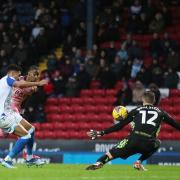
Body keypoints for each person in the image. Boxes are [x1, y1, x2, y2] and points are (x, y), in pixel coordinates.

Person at [86, 91, 180, 171]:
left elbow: (119, 126)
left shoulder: (137, 110)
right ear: (154, 100)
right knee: (157, 143)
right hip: (148, 142)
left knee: (111, 153)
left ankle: (99, 162)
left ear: (143, 100)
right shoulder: (161, 112)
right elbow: (175, 124)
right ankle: (139, 162)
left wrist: (101, 132)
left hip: (133, 139)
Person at [0, 64, 47, 168]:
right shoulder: (10, 80)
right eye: (34, 74)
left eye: (37, 76)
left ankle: (29, 158)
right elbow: (20, 84)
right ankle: (7, 159)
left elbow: (22, 88)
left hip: (11, 111)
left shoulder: (31, 87)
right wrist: (38, 83)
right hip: (6, 112)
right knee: (24, 135)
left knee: (31, 129)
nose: (35, 77)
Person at [10, 66, 42, 161]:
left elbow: (22, 94)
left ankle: (27, 155)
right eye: (31, 74)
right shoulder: (19, 78)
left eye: (35, 76)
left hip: (14, 108)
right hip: (9, 107)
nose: (33, 77)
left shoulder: (32, 88)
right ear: (28, 73)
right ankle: (26, 156)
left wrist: (19, 108)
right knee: (27, 132)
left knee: (27, 132)